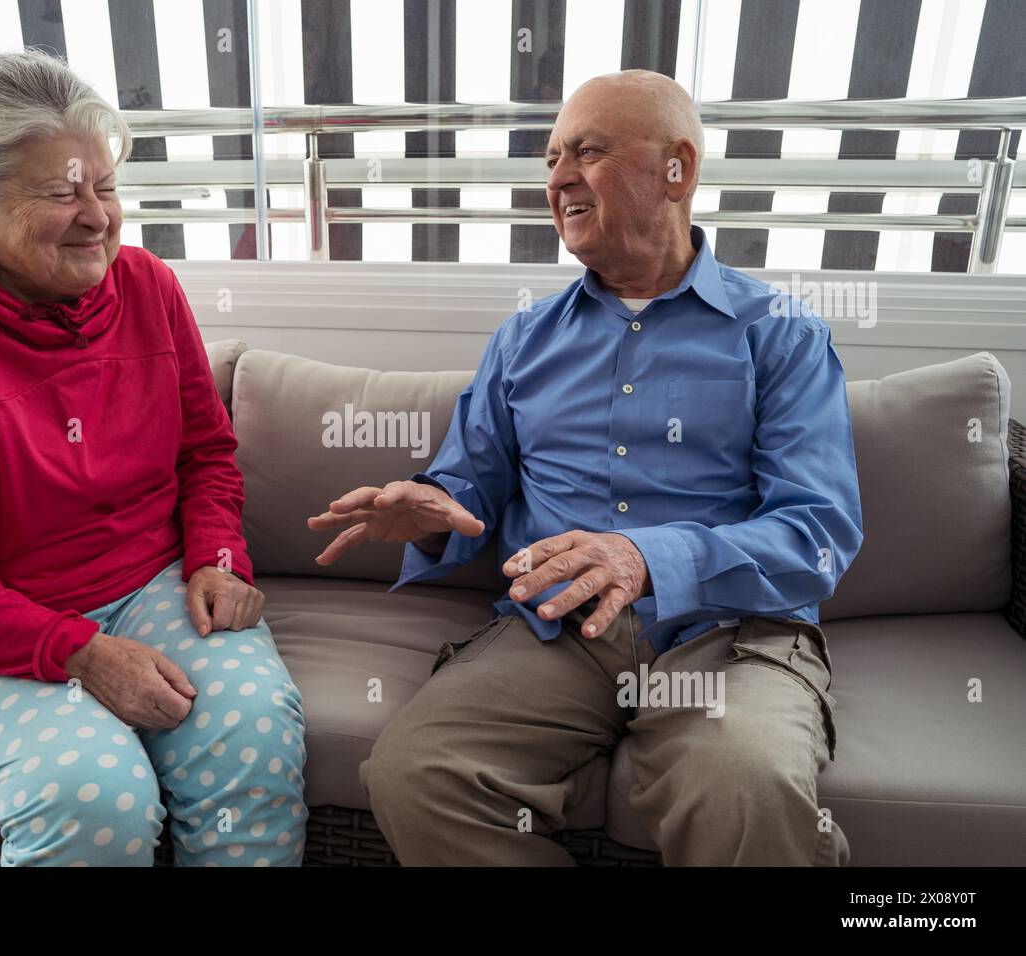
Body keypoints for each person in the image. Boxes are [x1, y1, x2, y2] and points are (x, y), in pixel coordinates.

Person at [309, 69, 863, 866]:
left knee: (742, 782)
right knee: (416, 773)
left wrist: (646, 558)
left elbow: (817, 533)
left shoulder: (780, 335)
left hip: (728, 632)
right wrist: (428, 510)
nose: (559, 178)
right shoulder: (525, 338)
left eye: (588, 152)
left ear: (678, 168)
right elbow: (469, 483)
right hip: (558, 632)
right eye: (551, 158)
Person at [0, 50, 306, 866]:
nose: (97, 216)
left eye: (106, 186)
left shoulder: (149, 286)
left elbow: (206, 453)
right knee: (96, 801)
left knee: (254, 737)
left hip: (150, 582)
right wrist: (78, 652)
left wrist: (219, 559)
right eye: (60, 192)